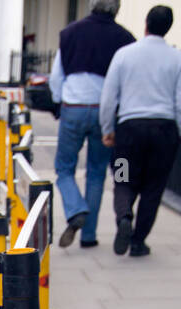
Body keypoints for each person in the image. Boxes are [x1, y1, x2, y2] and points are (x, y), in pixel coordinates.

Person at [99, 4, 181, 257]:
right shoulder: (178, 58)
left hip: (129, 131)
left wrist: (108, 128)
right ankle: (138, 241)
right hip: (164, 131)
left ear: (145, 25)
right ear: (168, 28)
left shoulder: (124, 54)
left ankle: (124, 216)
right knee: (153, 187)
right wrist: (177, 131)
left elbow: (109, 97)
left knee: (122, 178)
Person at [49, 0, 136, 249]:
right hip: (104, 112)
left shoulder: (70, 33)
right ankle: (89, 236)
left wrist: (58, 102)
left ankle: (76, 209)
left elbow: (57, 77)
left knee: (64, 168)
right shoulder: (125, 38)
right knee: (97, 173)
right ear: (116, 8)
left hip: (73, 108)